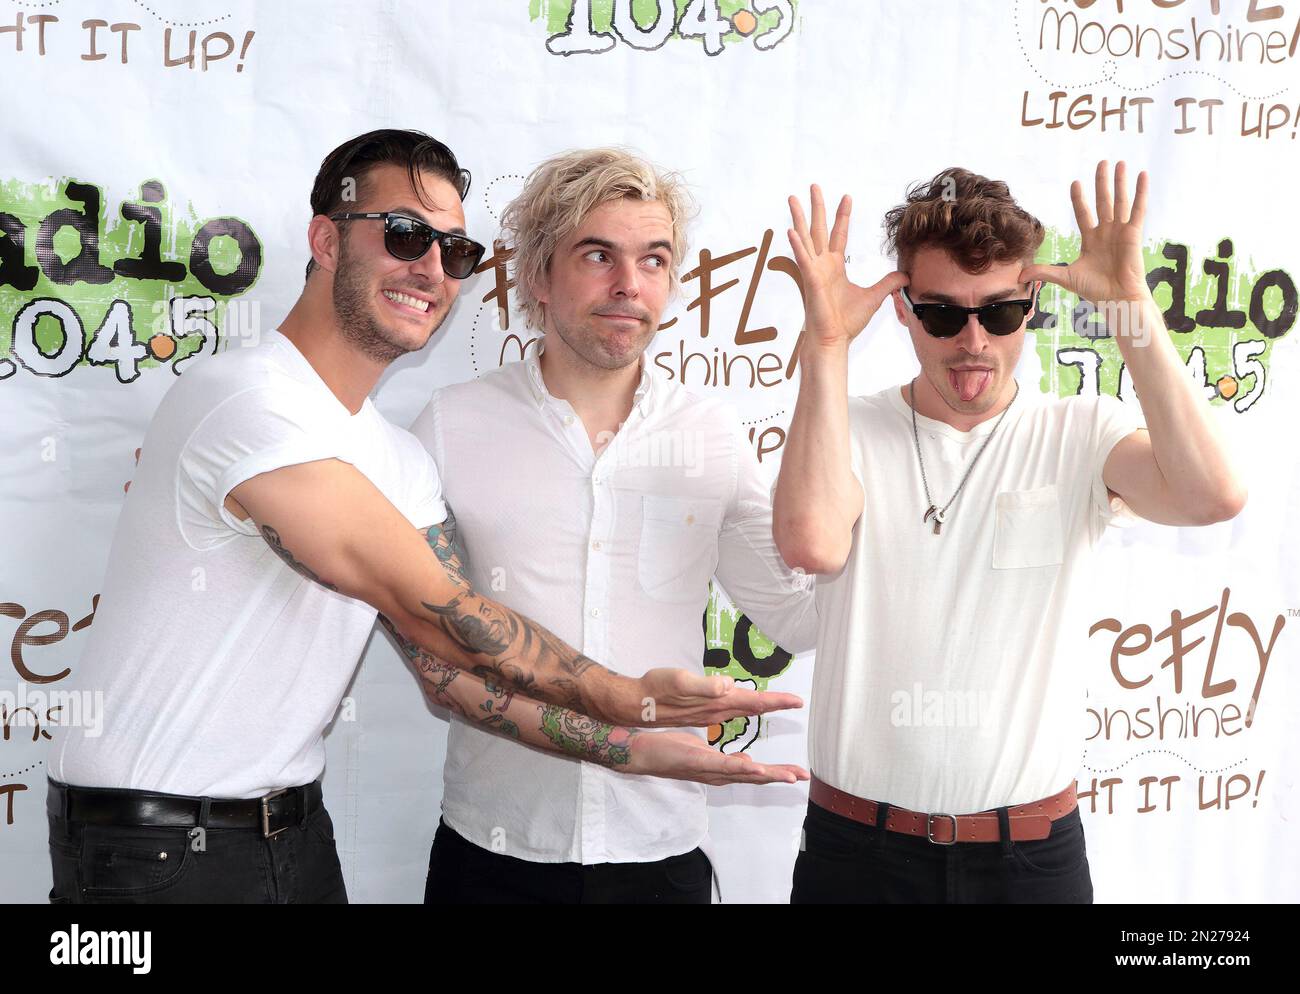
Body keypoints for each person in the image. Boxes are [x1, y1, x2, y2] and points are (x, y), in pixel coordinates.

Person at [45, 129, 805, 905]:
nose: (431, 268)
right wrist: (620, 696)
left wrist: (632, 751)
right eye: (405, 235)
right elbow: (436, 610)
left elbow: (454, 678)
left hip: (295, 836)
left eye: (455, 251)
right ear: (326, 240)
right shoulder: (246, 399)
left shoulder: (399, 463)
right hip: (150, 852)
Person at [774, 162, 1246, 903]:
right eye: (941, 314)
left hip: (1029, 863)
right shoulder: (850, 425)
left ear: (1031, 305)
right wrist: (825, 348)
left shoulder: (1082, 432)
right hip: (856, 857)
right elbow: (813, 544)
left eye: (997, 313)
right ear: (902, 308)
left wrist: (1129, 305)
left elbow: (1212, 496)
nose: (972, 342)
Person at [408, 148, 818, 904]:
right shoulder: (450, 427)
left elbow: (798, 611)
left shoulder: (711, 435)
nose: (630, 285)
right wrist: (624, 720)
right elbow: (439, 666)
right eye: (599, 255)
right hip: (493, 853)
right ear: (538, 274)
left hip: (659, 853)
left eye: (654, 259)